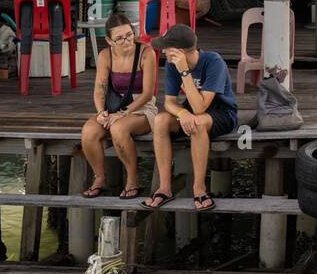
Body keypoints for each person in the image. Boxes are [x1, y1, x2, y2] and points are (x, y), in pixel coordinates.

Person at [141, 25, 238, 213]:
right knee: (161, 120)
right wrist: (182, 113)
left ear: (180, 51)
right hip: (192, 111)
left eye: (167, 48)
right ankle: (165, 188)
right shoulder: (171, 64)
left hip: (222, 112)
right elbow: (169, 103)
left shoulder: (213, 61)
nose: (163, 52)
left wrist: (185, 71)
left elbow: (201, 107)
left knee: (198, 122)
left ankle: (199, 188)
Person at [79, 13, 158, 198]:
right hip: (114, 106)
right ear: (109, 40)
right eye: (120, 38)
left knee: (118, 129)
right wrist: (101, 112)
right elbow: (99, 88)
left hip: (142, 107)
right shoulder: (105, 55)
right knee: (89, 131)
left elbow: (148, 93)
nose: (126, 41)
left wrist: (123, 113)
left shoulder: (146, 53)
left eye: (129, 35)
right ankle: (99, 178)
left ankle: (132, 180)